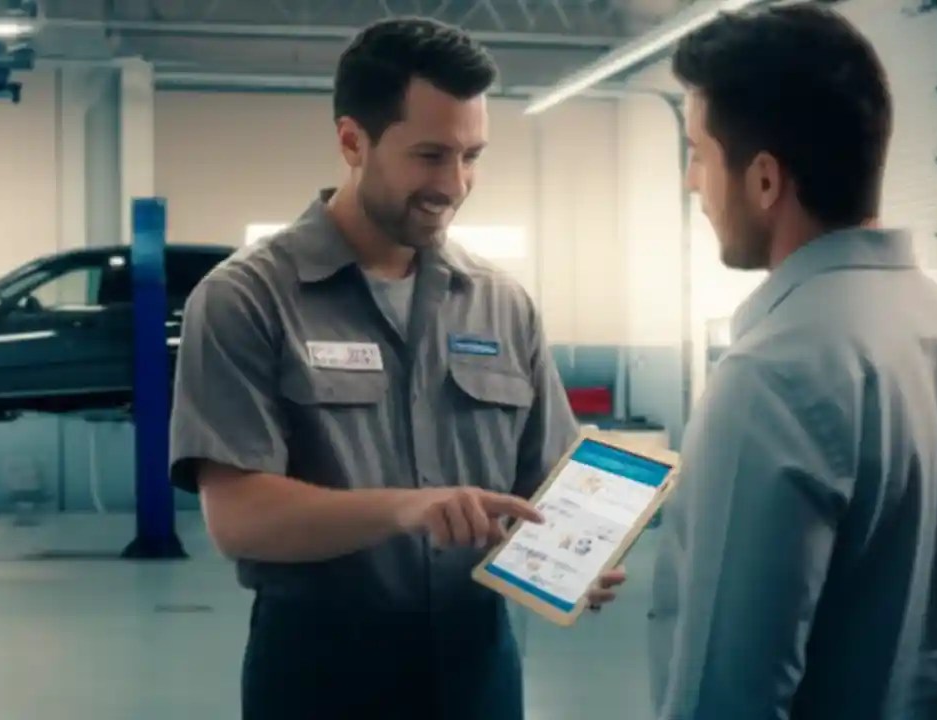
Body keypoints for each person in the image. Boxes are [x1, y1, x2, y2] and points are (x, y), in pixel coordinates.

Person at [168, 16, 623, 720]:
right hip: (320, 679)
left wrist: (574, 557)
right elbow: (239, 518)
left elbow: (547, 486)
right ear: (353, 141)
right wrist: (407, 508)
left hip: (479, 674)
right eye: (430, 156)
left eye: (471, 156)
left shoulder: (501, 304)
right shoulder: (247, 298)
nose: (455, 184)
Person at [645, 5, 937, 719]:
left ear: (764, 180)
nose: (691, 182)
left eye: (699, 153)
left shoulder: (771, 373)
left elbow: (729, 692)